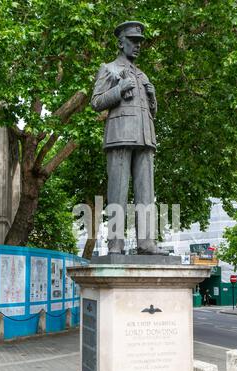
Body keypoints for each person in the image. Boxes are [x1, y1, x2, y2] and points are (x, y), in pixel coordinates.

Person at [91, 21, 168, 255]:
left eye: (139, 43)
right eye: (133, 42)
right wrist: (120, 88)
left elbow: (150, 112)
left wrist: (153, 99)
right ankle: (115, 244)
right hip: (120, 135)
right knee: (118, 191)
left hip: (145, 138)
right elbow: (96, 102)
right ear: (121, 43)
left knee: (146, 193)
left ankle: (146, 243)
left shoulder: (143, 75)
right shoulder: (109, 69)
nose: (137, 46)